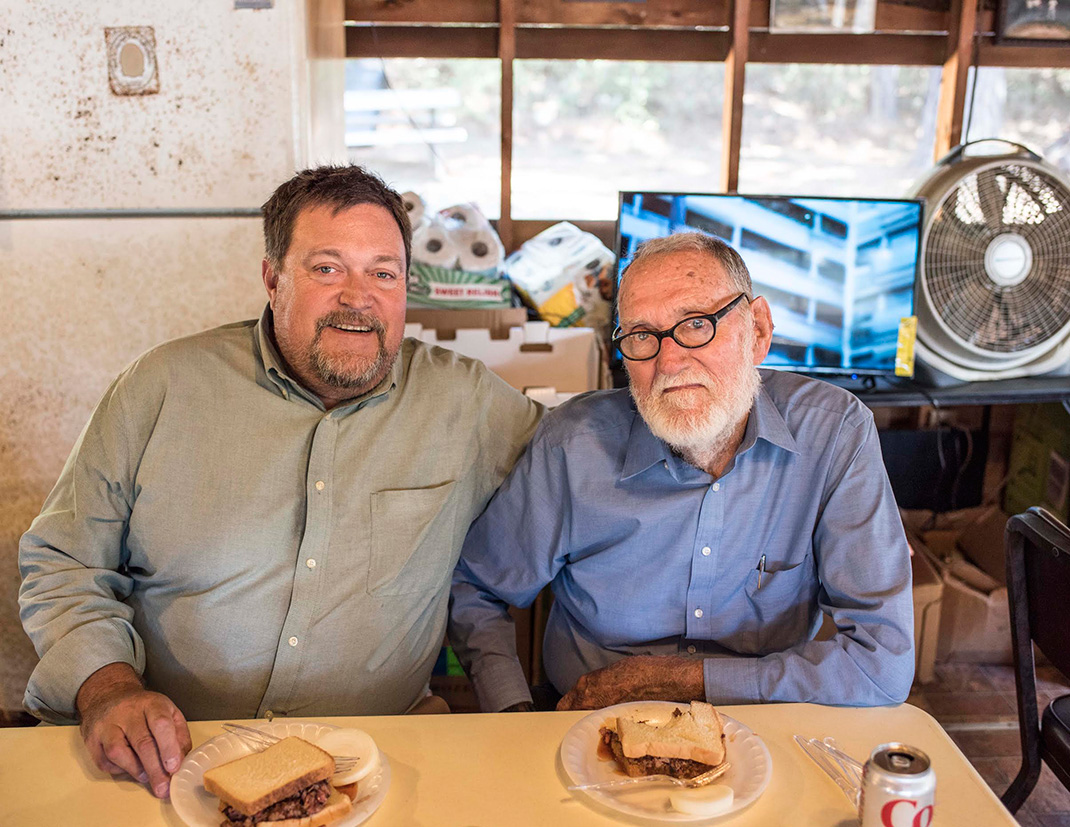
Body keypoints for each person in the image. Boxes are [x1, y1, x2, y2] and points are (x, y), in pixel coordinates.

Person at [18, 165, 541, 798]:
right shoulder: (159, 388)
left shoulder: (468, 404)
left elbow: (581, 464)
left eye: (384, 272)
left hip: (375, 757)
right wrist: (109, 687)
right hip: (174, 753)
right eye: (327, 269)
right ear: (272, 279)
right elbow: (65, 561)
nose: (358, 296)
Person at [448, 231, 914, 714]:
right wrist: (512, 717)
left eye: (696, 324)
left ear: (757, 329)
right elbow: (477, 588)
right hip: (589, 724)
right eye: (642, 336)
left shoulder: (834, 433)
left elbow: (882, 665)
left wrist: (673, 680)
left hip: (764, 722)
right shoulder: (573, 445)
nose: (669, 361)